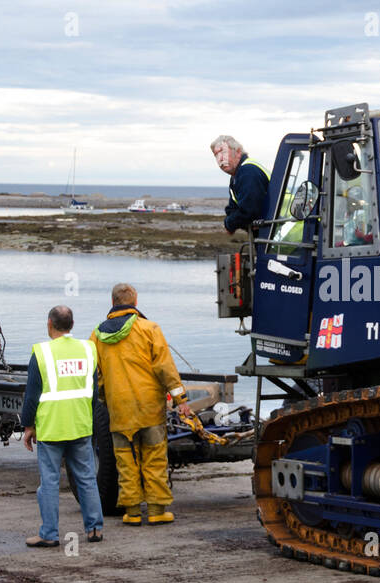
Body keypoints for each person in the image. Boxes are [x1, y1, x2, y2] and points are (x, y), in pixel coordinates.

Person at [91, 284, 195, 525]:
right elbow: (165, 368)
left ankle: (133, 512)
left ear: (113, 301)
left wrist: (105, 399)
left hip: (119, 412)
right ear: (135, 302)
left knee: (126, 463)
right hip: (149, 410)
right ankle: (158, 511)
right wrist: (181, 400)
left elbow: (96, 375)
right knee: (154, 460)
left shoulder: (97, 335)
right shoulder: (150, 329)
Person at [21, 306, 105, 547]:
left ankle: (49, 534)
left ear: (49, 324)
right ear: (72, 324)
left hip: (51, 427)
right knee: (86, 479)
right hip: (80, 424)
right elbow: (93, 390)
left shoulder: (42, 352)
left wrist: (28, 426)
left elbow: (32, 394)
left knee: (49, 481)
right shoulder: (88, 349)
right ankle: (95, 529)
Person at [211, 134, 271, 235]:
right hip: (272, 235)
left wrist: (230, 224)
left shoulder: (248, 171)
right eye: (216, 155)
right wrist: (233, 221)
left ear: (238, 152)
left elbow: (249, 211)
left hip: (286, 234)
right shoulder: (236, 176)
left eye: (224, 152)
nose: (220, 159)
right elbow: (232, 208)